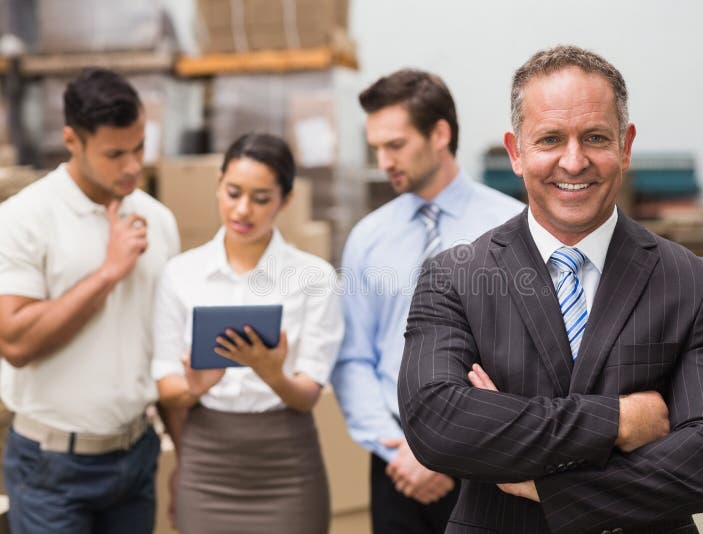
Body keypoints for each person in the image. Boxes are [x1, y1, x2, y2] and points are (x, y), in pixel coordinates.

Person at [398, 45, 703, 534]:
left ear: (625, 146)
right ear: (516, 152)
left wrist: (547, 488)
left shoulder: (695, 284)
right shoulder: (454, 279)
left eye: (594, 137)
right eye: (550, 139)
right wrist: (619, 420)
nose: (573, 162)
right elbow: (437, 424)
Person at [331, 69, 525, 534]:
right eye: (376, 148)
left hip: (487, 462)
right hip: (396, 464)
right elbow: (354, 357)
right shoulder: (368, 237)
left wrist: (451, 450)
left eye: (395, 145)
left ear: (440, 134)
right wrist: (397, 447)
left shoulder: (513, 228)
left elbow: (527, 362)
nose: (384, 161)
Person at [0, 67, 179, 533]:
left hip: (136, 457)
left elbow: (165, 349)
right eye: (115, 154)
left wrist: (187, 460)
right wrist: (109, 272)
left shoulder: (159, 221)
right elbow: (15, 342)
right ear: (72, 141)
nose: (132, 166)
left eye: (140, 147)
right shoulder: (22, 220)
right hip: (51, 469)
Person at [151, 132, 344, 534]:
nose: (242, 209)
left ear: (285, 200)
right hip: (206, 461)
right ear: (218, 184)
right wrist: (195, 388)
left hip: (287, 463)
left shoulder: (314, 277)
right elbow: (166, 385)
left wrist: (272, 374)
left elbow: (307, 395)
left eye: (261, 198)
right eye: (233, 192)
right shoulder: (180, 274)